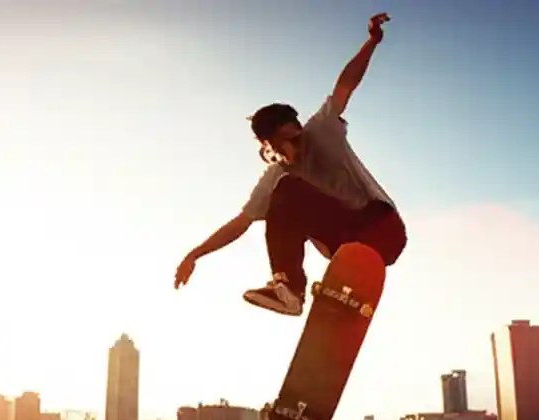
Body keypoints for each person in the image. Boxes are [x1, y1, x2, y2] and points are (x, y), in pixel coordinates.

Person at [173, 12, 407, 317]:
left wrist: (371, 42)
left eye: (296, 137)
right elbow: (240, 224)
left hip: (383, 228)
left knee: (288, 190)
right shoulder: (277, 176)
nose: (296, 147)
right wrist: (196, 254)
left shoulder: (322, 127)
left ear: (299, 126)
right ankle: (299, 292)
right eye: (286, 143)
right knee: (282, 193)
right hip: (345, 247)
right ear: (269, 145)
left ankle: (290, 287)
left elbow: (346, 84)